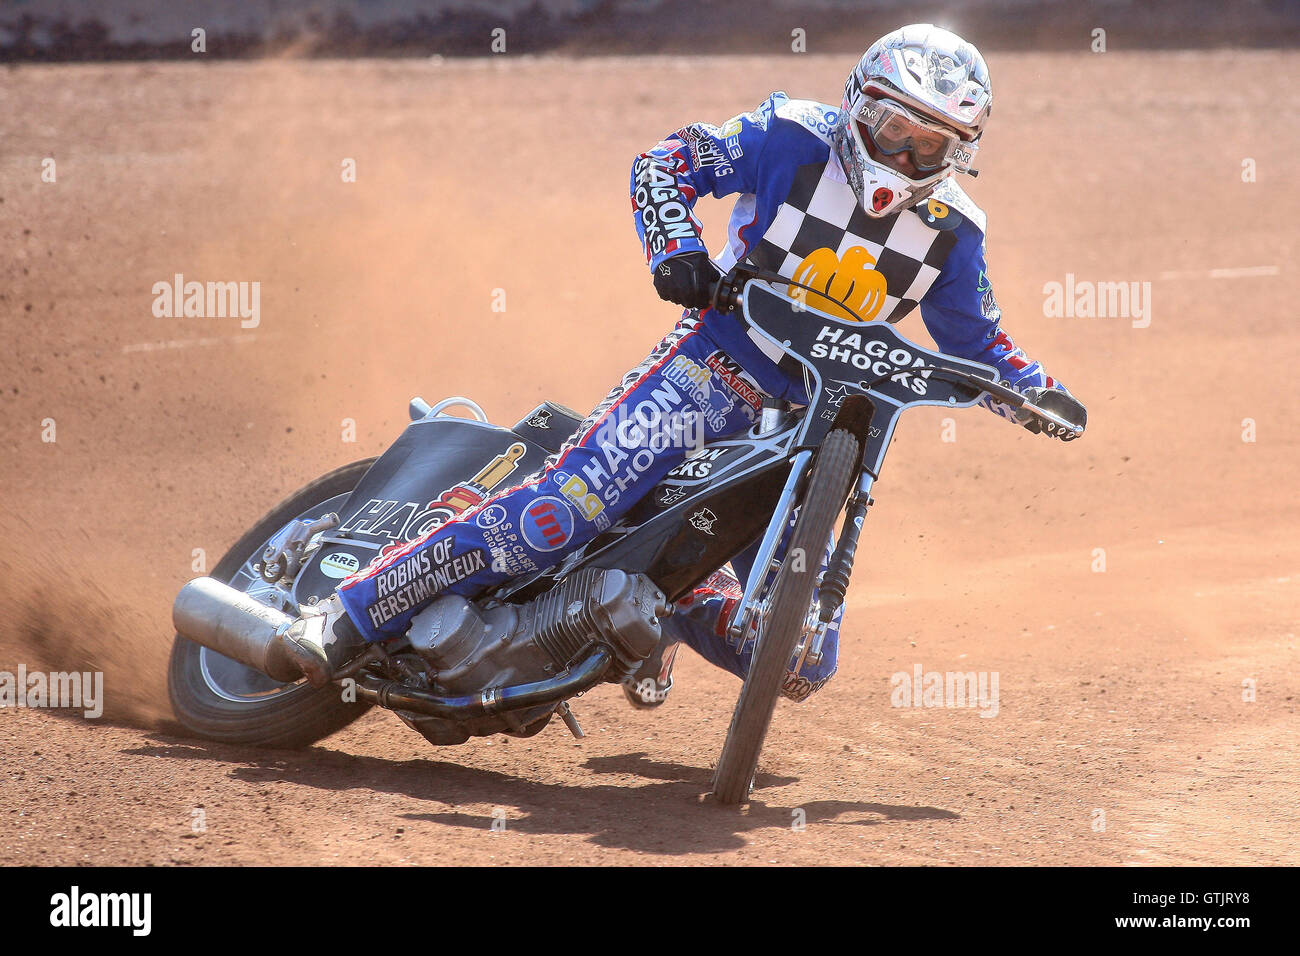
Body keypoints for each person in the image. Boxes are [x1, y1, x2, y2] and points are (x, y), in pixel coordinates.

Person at [275, 23, 1087, 709]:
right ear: (855, 103)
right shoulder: (790, 135)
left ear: (962, 153)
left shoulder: (956, 233)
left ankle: (656, 598)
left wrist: (1036, 395)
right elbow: (664, 162)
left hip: (826, 424)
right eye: (891, 128)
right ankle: (343, 616)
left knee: (798, 659)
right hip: (715, 368)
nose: (903, 155)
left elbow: (981, 344)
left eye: (930, 144)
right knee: (552, 521)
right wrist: (678, 253)